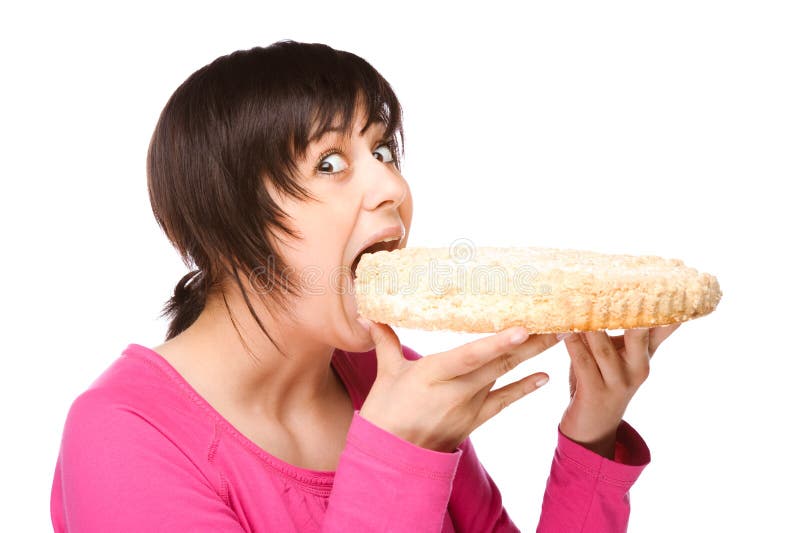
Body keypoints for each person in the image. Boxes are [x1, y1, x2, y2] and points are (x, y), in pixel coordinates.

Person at [50, 40, 679, 532]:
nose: (392, 189)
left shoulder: (390, 383)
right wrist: (398, 456)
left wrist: (592, 430)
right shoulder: (122, 436)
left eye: (383, 152)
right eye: (329, 164)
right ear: (224, 218)